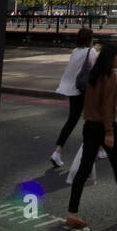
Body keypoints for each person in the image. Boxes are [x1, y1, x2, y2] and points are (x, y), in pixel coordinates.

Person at [66, 42, 117, 230]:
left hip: (90, 126)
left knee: (84, 169)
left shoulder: (94, 75)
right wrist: (109, 133)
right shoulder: (109, 77)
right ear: (111, 58)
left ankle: (72, 213)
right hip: (104, 127)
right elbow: (108, 108)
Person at [49, 28, 99, 168]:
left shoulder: (75, 51)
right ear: (89, 39)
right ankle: (97, 150)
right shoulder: (91, 51)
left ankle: (57, 151)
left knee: (72, 120)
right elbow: (96, 69)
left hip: (71, 88)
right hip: (82, 89)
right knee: (93, 118)